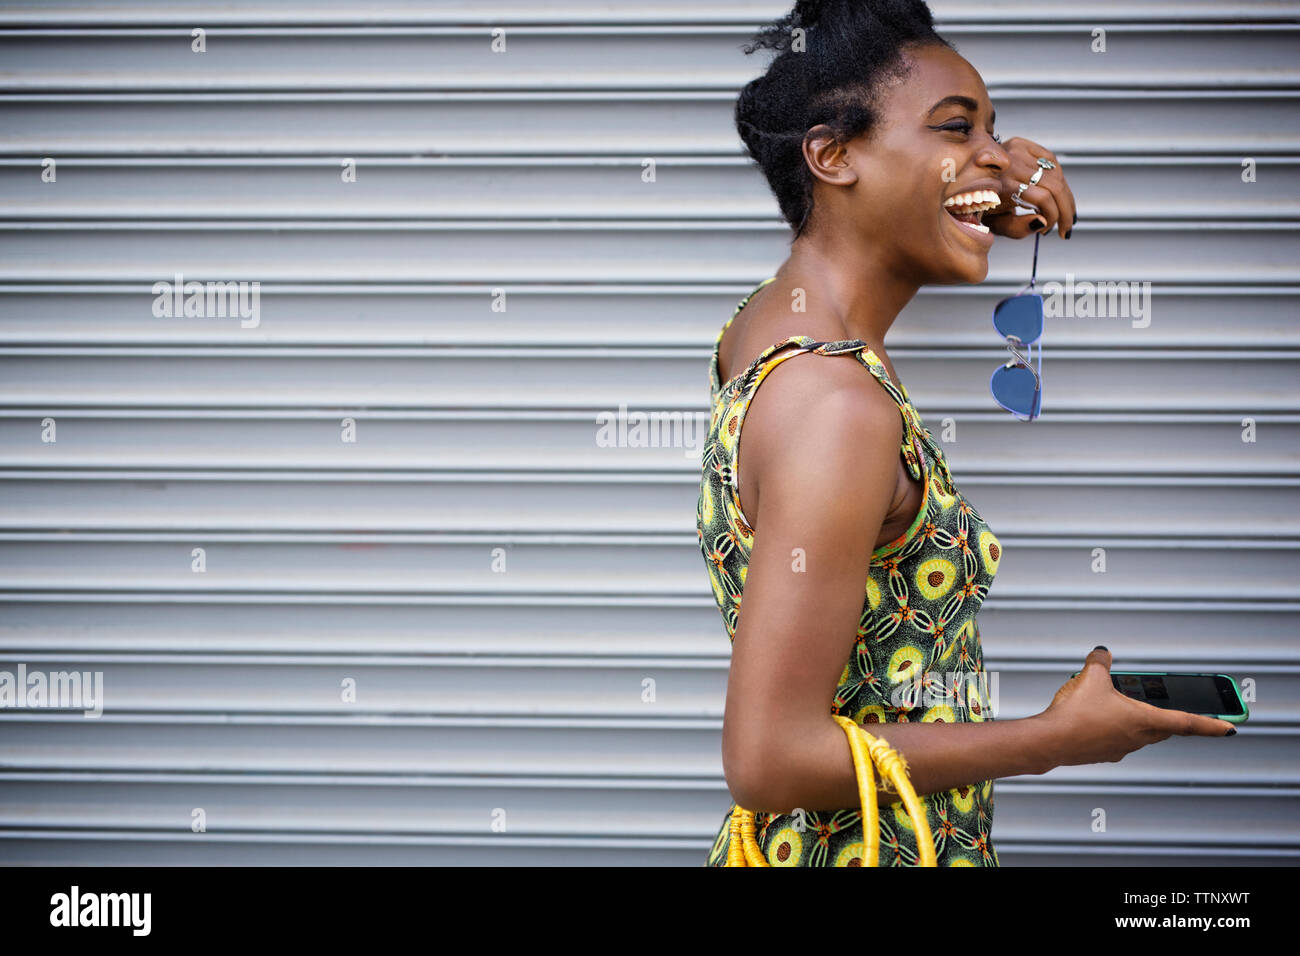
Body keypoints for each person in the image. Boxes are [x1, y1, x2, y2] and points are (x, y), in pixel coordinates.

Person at [697, 0, 1235, 867]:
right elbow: (767, 759)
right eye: (956, 125)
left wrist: (965, 185)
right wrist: (1055, 739)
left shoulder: (766, 332)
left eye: (996, 127)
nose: (998, 151)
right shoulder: (836, 406)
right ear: (832, 154)